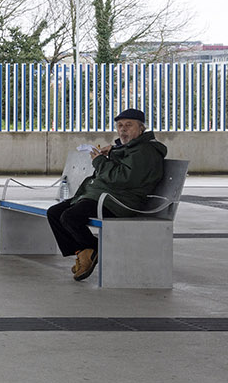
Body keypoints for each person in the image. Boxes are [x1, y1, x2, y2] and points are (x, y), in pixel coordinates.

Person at [46, 107, 168, 282]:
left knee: (69, 217)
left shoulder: (145, 151)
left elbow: (123, 178)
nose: (123, 129)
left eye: (128, 125)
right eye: (119, 126)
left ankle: (95, 250)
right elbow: (124, 165)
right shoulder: (132, 147)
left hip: (120, 202)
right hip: (105, 195)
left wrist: (100, 161)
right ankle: (84, 252)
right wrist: (112, 151)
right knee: (54, 213)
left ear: (141, 129)